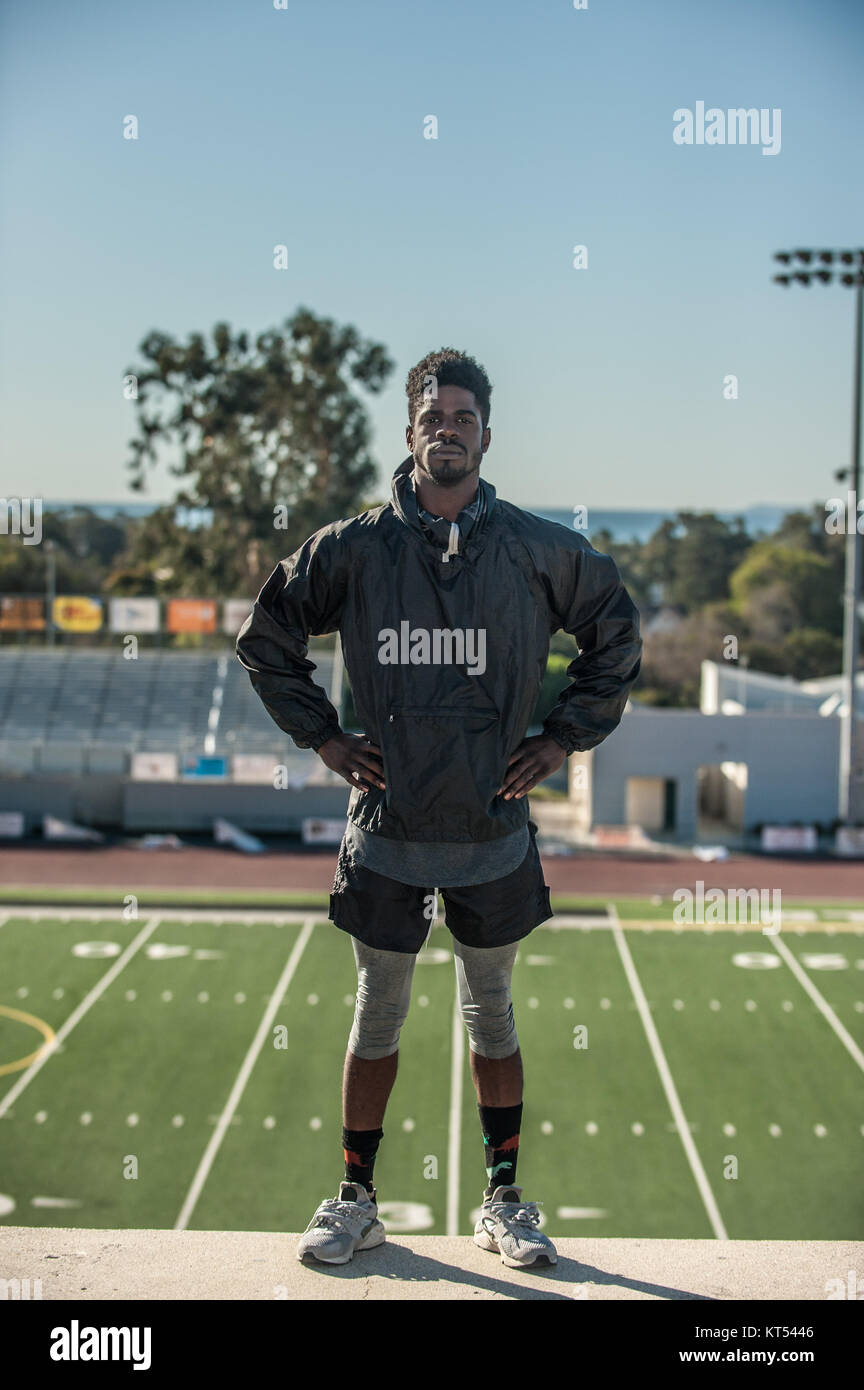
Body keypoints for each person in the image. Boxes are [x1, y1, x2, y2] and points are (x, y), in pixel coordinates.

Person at [236, 347, 642, 1269]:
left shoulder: (540, 549)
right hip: (388, 829)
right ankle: (355, 1199)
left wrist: (563, 737)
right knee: (377, 1011)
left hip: (491, 831)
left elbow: (615, 631)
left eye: (462, 418)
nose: (446, 430)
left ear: (486, 435)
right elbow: (266, 637)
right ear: (410, 431)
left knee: (491, 1012)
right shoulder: (354, 547)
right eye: (432, 417)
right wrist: (325, 740)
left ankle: (504, 1201)